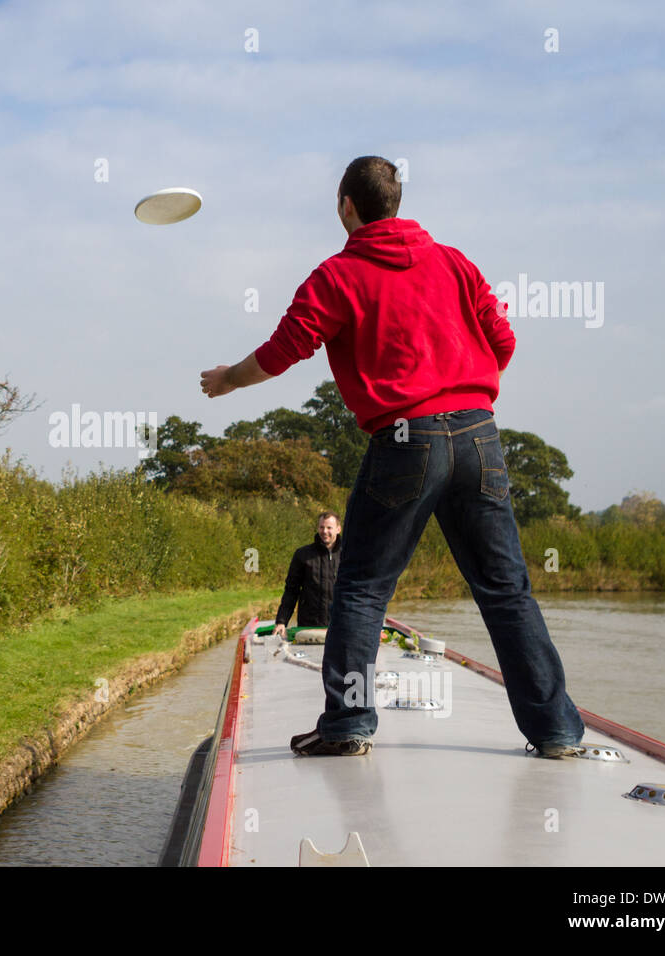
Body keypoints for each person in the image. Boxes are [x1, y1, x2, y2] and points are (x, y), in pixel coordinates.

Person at [200, 156, 584, 759]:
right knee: (507, 590)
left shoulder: (338, 275)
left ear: (345, 205)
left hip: (407, 440)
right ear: (396, 202)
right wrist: (463, 391)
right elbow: (503, 339)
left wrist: (229, 379)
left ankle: (348, 725)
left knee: (360, 588)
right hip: (480, 434)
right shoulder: (454, 262)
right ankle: (557, 730)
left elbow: (283, 351)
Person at [273, 512, 342, 637]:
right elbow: (291, 591)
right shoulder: (302, 555)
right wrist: (281, 621)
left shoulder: (348, 556)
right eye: (321, 527)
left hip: (340, 625)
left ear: (338, 529)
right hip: (309, 626)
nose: (324, 531)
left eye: (329, 528)